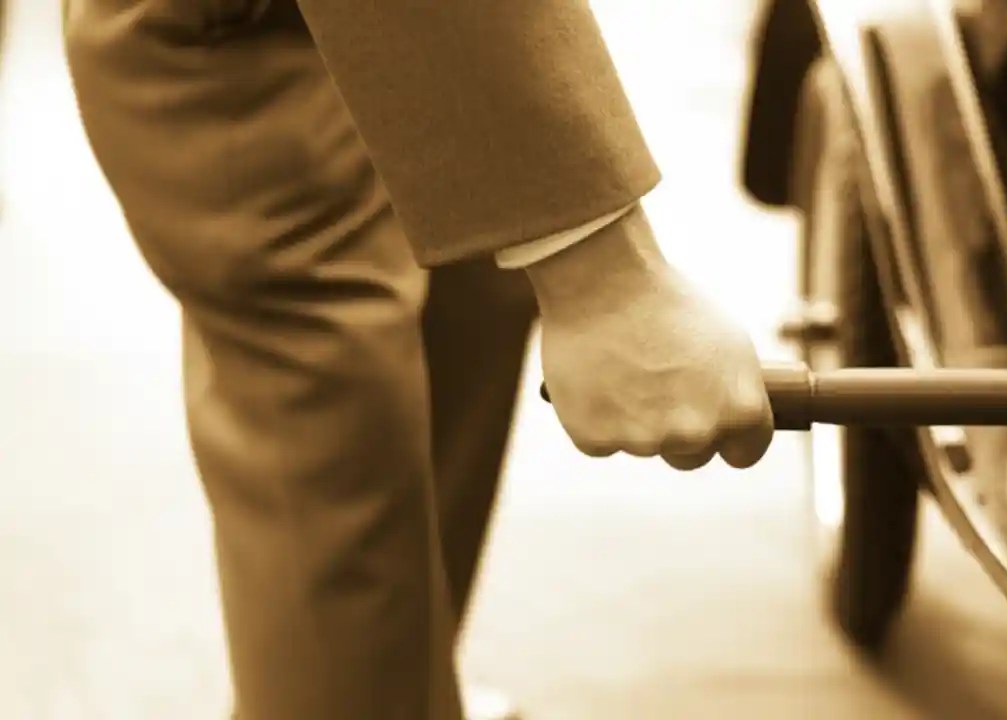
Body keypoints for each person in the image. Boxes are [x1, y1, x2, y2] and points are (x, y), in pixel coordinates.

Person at [61, 1, 775, 719]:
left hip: (414, 32)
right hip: (255, 36)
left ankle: (405, 686)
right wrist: (603, 270)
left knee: (475, 303)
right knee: (336, 458)